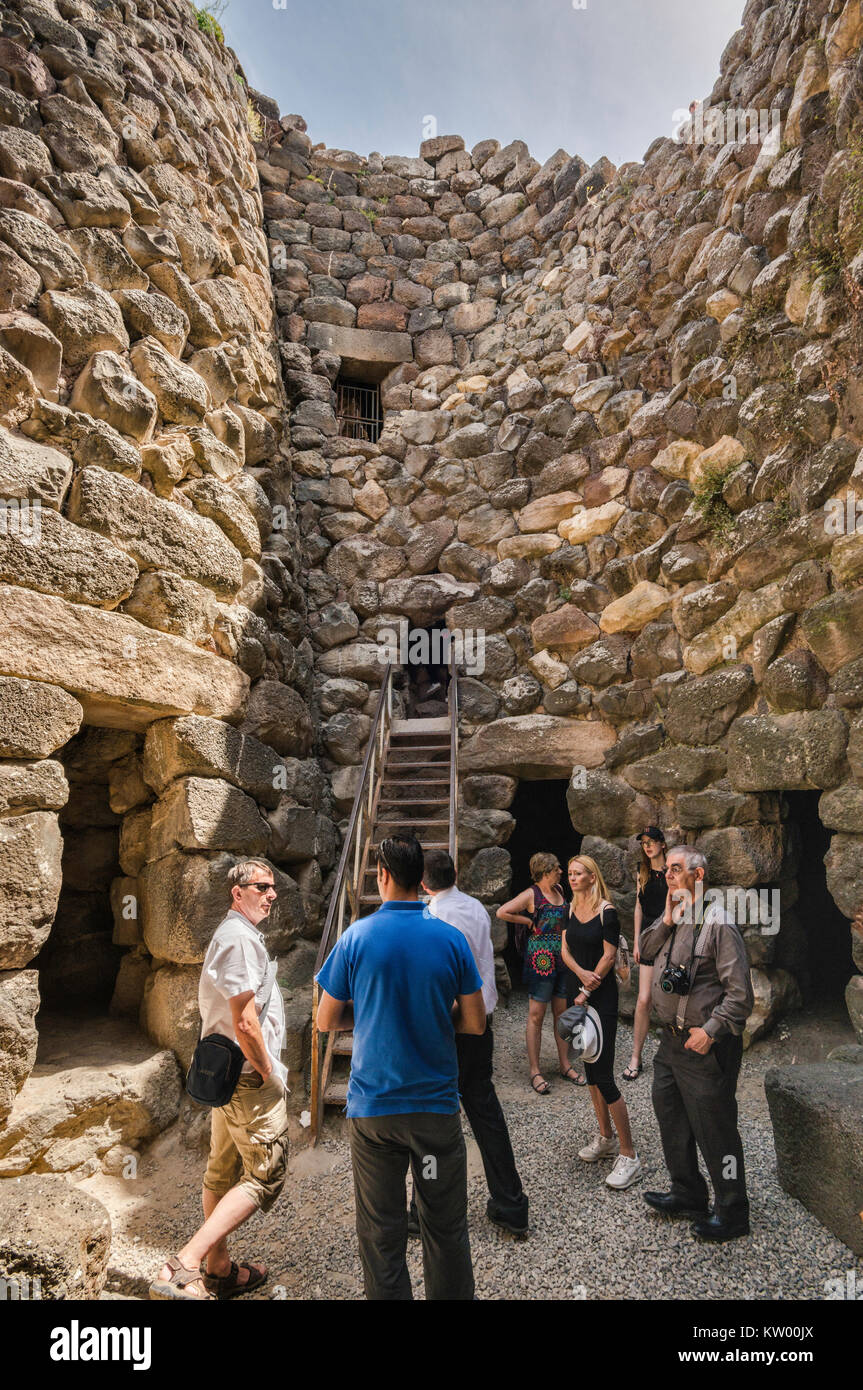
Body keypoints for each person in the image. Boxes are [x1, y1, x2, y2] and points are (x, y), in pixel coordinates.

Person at [315, 833, 486, 1300]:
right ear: (422, 879)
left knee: (381, 1231)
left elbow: (325, 1018)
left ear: (383, 875)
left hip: (376, 1115)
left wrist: (372, 1009)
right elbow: (473, 1022)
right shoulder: (450, 940)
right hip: (433, 1116)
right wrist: (431, 1010)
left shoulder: (357, 937)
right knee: (443, 1226)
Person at [149, 860, 289, 1301]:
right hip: (248, 1079)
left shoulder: (239, 937)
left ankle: (220, 1271)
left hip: (233, 1079)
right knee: (266, 1177)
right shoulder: (238, 940)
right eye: (261, 887)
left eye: (273, 888)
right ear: (237, 893)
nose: (271, 895)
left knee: (222, 1170)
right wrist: (268, 1071)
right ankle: (184, 1265)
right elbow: (244, 1022)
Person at [640, 846, 754, 1242]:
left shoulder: (719, 923)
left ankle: (733, 1209)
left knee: (716, 1129)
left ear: (698, 875)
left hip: (704, 1045)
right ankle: (687, 1193)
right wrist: (667, 919)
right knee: (671, 1118)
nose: (668, 875)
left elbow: (740, 995)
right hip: (670, 1044)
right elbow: (645, 952)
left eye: (676, 869)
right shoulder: (676, 916)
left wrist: (711, 1030)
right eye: (667, 869)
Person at [418, 849, 529, 1237]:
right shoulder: (476, 907)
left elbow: (441, 980)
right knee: (484, 1110)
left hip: (451, 1025)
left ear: (423, 882)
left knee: (433, 1120)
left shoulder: (433, 917)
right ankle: (511, 1201)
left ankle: (429, 1211)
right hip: (483, 1018)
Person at [560, 855, 642, 1190]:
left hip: (599, 999)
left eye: (579, 873)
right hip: (576, 994)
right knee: (590, 1074)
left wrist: (585, 989)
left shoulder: (607, 911)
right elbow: (564, 948)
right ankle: (605, 1137)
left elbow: (609, 956)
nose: (573, 878)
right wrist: (579, 978)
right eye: (570, 873)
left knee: (604, 1076)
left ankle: (629, 1154)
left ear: (593, 877)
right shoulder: (569, 908)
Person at [498, 851, 581, 1093]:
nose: (561, 872)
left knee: (561, 1012)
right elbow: (502, 912)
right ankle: (535, 1070)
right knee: (536, 1014)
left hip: (562, 958)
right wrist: (527, 922)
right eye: (557, 868)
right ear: (545, 872)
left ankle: (564, 1064)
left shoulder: (560, 891)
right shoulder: (531, 894)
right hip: (540, 959)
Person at [623, 827, 668, 1081]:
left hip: (671, 934)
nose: (647, 847)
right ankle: (636, 1057)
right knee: (643, 1000)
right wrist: (637, 942)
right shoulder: (642, 873)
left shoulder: (673, 869)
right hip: (649, 936)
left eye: (652, 842)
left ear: (663, 844)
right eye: (644, 843)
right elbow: (638, 907)